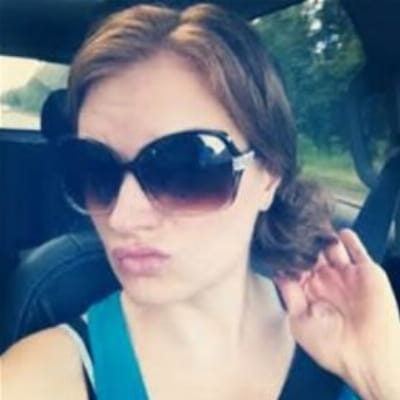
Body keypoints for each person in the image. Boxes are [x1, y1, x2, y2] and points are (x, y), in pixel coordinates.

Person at [2, 3, 399, 400]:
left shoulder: (359, 343)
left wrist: (379, 378)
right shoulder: (37, 380)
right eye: (96, 169)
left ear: (269, 176)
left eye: (185, 169)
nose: (123, 218)